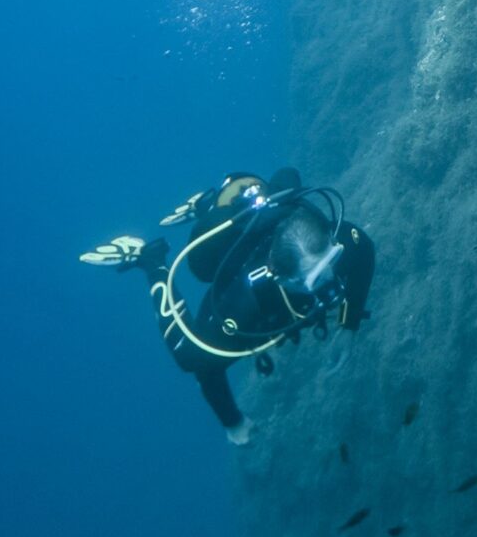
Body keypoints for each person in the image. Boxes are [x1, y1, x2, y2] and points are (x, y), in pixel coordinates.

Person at [82, 169, 375, 443]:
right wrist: (232, 420)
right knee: (188, 356)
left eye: (332, 261)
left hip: (270, 208)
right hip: (227, 259)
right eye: (312, 280)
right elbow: (203, 365)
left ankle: (214, 203)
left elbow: (364, 252)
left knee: (285, 186)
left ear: (329, 239)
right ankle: (151, 260)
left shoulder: (342, 240)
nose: (329, 280)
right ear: (278, 276)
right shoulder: (249, 303)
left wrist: (348, 326)